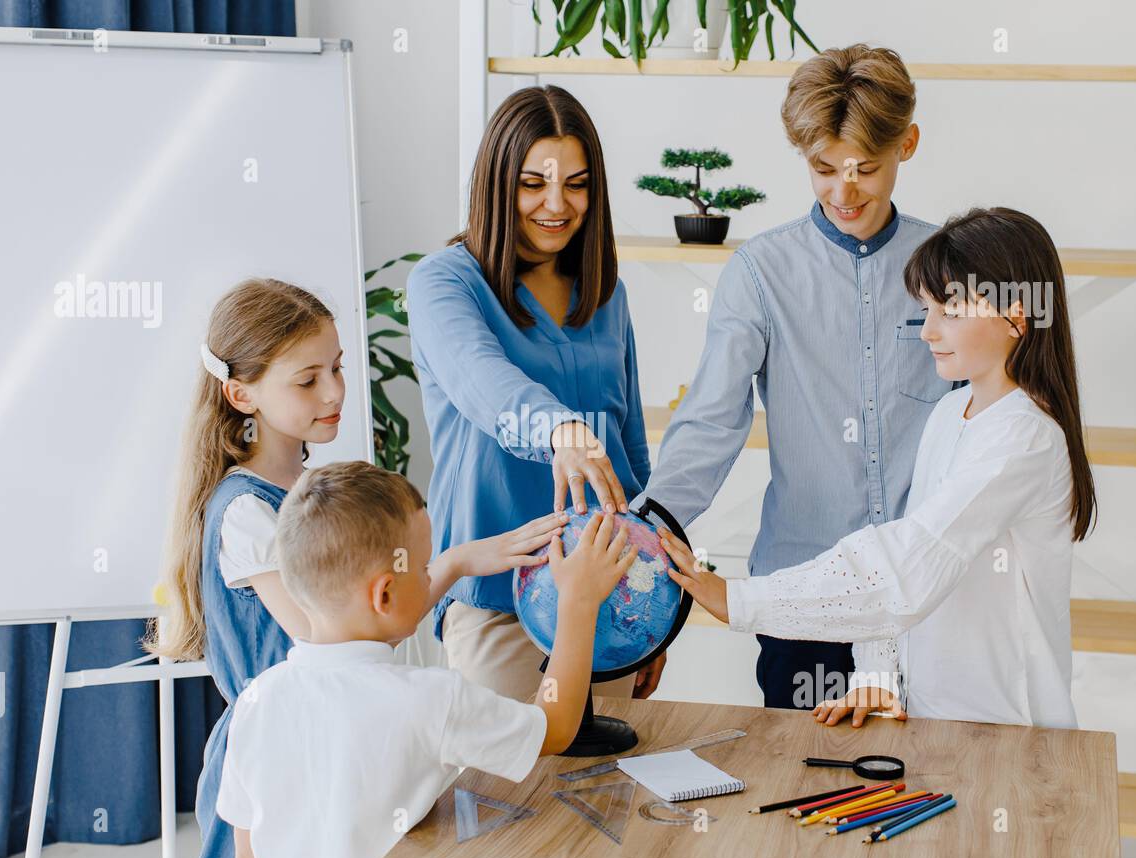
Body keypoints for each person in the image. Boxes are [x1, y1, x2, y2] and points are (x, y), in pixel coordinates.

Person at [151, 279, 568, 858]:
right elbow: (337, 626)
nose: (334, 392)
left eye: (338, 368)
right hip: (290, 758)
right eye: (308, 380)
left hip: (332, 749)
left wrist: (467, 558)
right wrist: (455, 563)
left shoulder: (309, 490)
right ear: (241, 395)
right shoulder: (245, 512)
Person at [659, 208, 1096, 730]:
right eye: (927, 309)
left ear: (1017, 316)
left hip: (1010, 736)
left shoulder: (1022, 438)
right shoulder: (948, 414)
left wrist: (739, 599)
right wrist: (878, 673)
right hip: (934, 724)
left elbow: (908, 567)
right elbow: (899, 541)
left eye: (950, 311)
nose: (928, 331)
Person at [636, 44, 953, 711]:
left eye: (866, 168)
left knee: (932, 798)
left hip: (927, 596)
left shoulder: (949, 268)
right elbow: (710, 423)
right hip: (803, 601)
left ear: (908, 145)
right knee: (804, 799)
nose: (845, 191)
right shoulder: (760, 274)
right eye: (823, 169)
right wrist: (643, 540)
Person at [217, 462, 639, 858]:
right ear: (383, 595)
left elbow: (246, 851)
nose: (429, 575)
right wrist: (577, 604)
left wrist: (456, 563)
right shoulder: (432, 699)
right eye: (422, 568)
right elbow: (558, 727)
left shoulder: (256, 702)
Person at [409, 85, 660, 701]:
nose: (557, 204)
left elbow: (628, 450)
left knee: (615, 794)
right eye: (533, 183)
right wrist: (561, 432)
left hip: (614, 603)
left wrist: (661, 599)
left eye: (576, 184)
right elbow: (483, 380)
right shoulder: (445, 283)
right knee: (507, 795)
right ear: (496, 183)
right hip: (500, 609)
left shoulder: (604, 294)